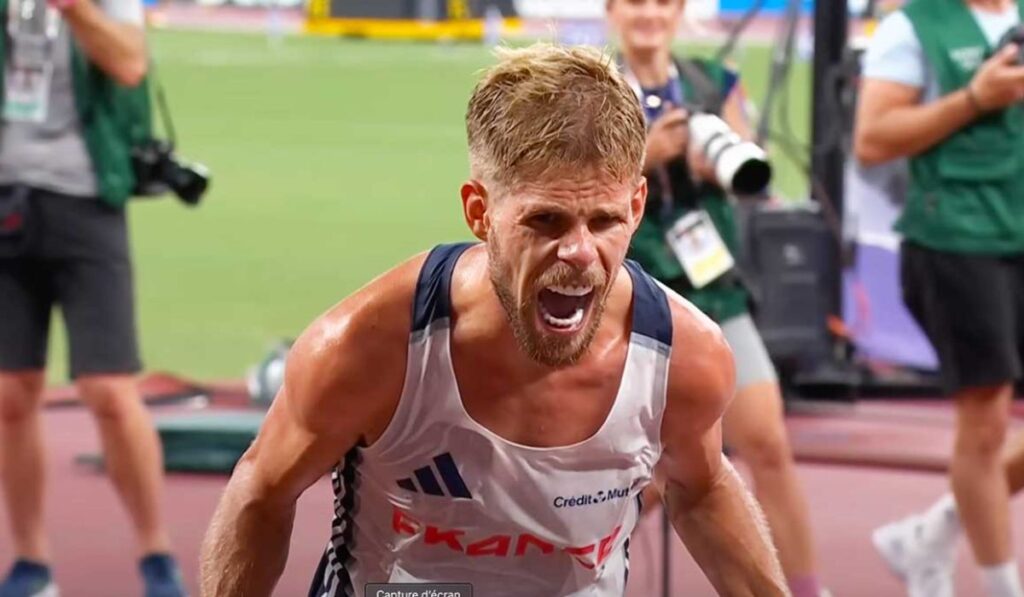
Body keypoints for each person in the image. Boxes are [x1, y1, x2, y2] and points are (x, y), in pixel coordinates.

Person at [198, 43, 788, 597]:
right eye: (546, 222)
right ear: (479, 211)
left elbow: (703, 488)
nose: (580, 254)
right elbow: (263, 492)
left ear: (636, 207)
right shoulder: (370, 346)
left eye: (604, 221)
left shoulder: (685, 357)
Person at [606, 1, 826, 596]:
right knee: (631, 471)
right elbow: (580, 175)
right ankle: (570, 572)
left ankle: (807, 591)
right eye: (634, 2)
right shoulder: (596, 84)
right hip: (630, 293)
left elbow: (750, 166)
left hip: (714, 294)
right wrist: (648, 155)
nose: (649, 15)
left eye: (661, 3)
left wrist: (715, 153)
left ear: (678, 12)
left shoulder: (712, 83)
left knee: (770, 446)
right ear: (611, 10)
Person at [0, 0, 186, 594]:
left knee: (108, 388)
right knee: (10, 391)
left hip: (86, 199)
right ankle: (31, 562)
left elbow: (131, 63)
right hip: (7, 198)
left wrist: (74, 8)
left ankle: (156, 555)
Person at [855, 0, 1024, 595]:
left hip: (1017, 229)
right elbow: (872, 139)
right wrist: (975, 98)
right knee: (984, 424)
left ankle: (931, 531)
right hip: (956, 239)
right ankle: (1004, 587)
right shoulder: (912, 27)